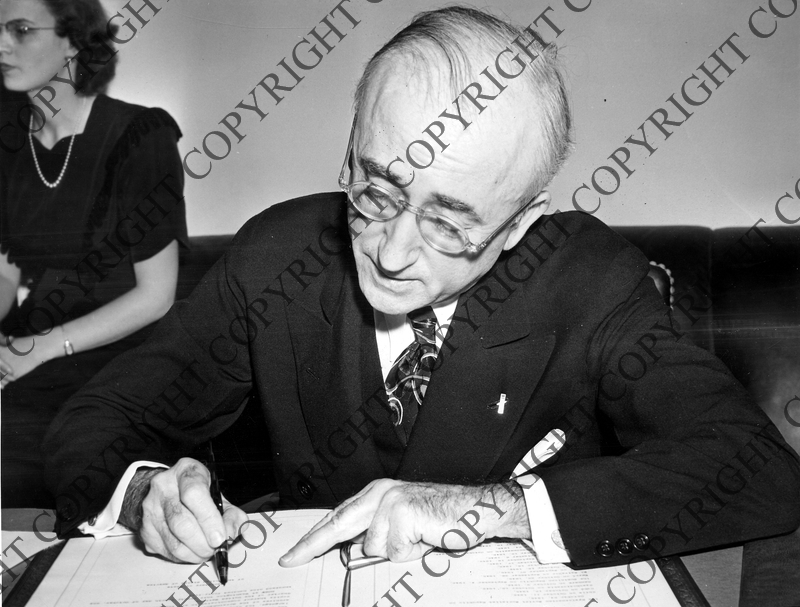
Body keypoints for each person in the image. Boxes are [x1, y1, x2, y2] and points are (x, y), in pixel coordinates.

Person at [44, 6, 799, 571]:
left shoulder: (592, 279)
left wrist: (485, 510)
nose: (394, 251)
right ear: (350, 148)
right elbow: (94, 423)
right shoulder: (277, 257)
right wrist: (146, 493)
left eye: (450, 222)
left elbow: (756, 470)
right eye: (375, 189)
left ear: (518, 224)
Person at [0, 0, 188, 507]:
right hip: (31, 347)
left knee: (69, 458)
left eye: (20, 29)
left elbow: (156, 296)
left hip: (118, 353)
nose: (1, 46)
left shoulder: (139, 136)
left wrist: (39, 348)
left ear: (74, 40)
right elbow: (7, 266)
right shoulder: (11, 144)